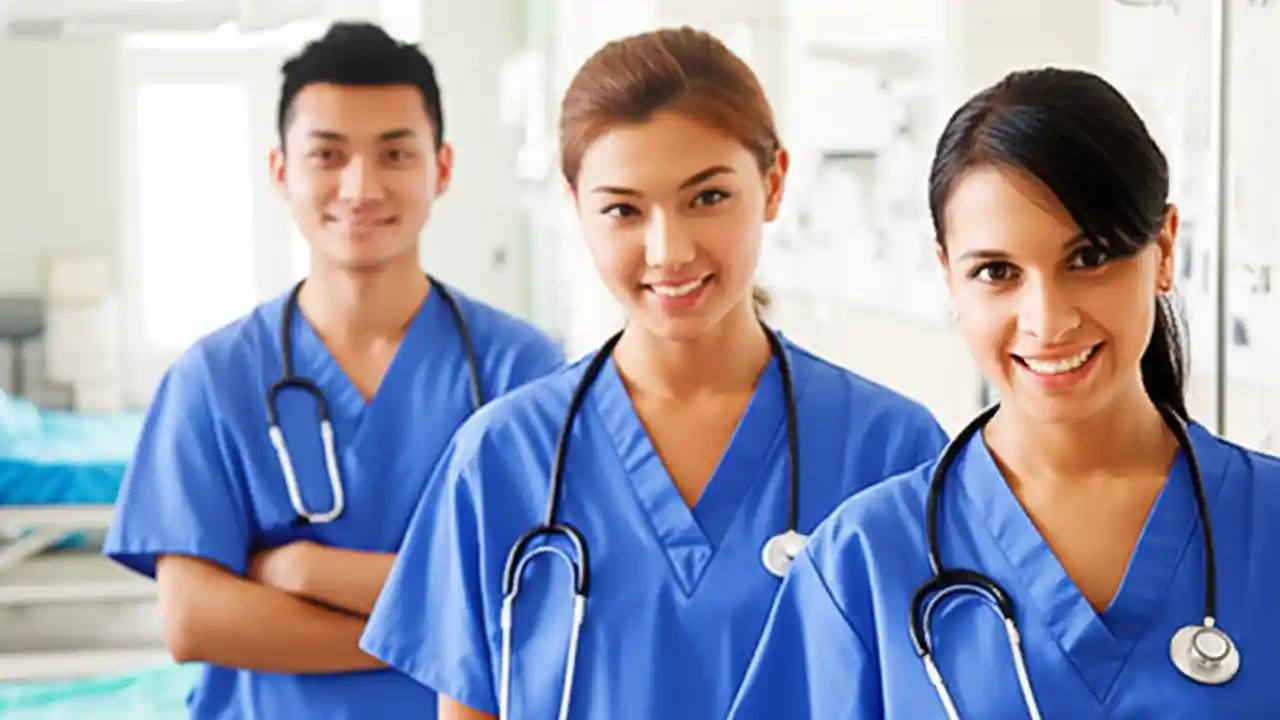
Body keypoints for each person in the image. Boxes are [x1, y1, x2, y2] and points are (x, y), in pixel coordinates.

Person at [357, 27, 949, 720]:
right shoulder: (500, 459)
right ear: (578, 207)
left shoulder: (892, 452)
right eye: (624, 210)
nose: (668, 251)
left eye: (707, 198)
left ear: (774, 182)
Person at [726, 67, 1280, 719]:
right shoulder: (866, 562)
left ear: (1162, 249)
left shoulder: (1266, 525)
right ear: (949, 279)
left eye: (1089, 257)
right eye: (996, 271)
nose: (1048, 319)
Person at [103, 22, 563, 720]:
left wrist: (304, 571)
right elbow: (195, 620)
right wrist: (437, 633)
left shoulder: (520, 369)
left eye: (395, 152)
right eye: (328, 154)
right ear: (280, 171)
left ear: (441, 168)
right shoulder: (215, 378)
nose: (361, 185)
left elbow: (540, 598)